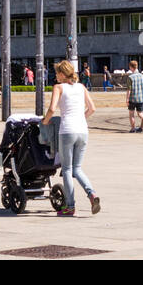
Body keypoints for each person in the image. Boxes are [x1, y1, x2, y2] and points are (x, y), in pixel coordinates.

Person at [41, 60, 100, 216]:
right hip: (83, 130)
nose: (55, 76)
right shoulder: (81, 87)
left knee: (67, 169)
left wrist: (45, 122)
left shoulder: (58, 87)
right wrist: (81, 118)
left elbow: (52, 108)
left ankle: (70, 206)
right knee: (77, 168)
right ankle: (91, 193)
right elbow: (92, 108)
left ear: (62, 74)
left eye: (57, 73)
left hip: (67, 131)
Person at [125, 60, 143, 132]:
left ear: (131, 67)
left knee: (131, 114)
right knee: (140, 113)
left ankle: (133, 128)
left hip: (132, 98)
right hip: (141, 98)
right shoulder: (142, 76)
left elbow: (129, 90)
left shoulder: (130, 77)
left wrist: (127, 99)